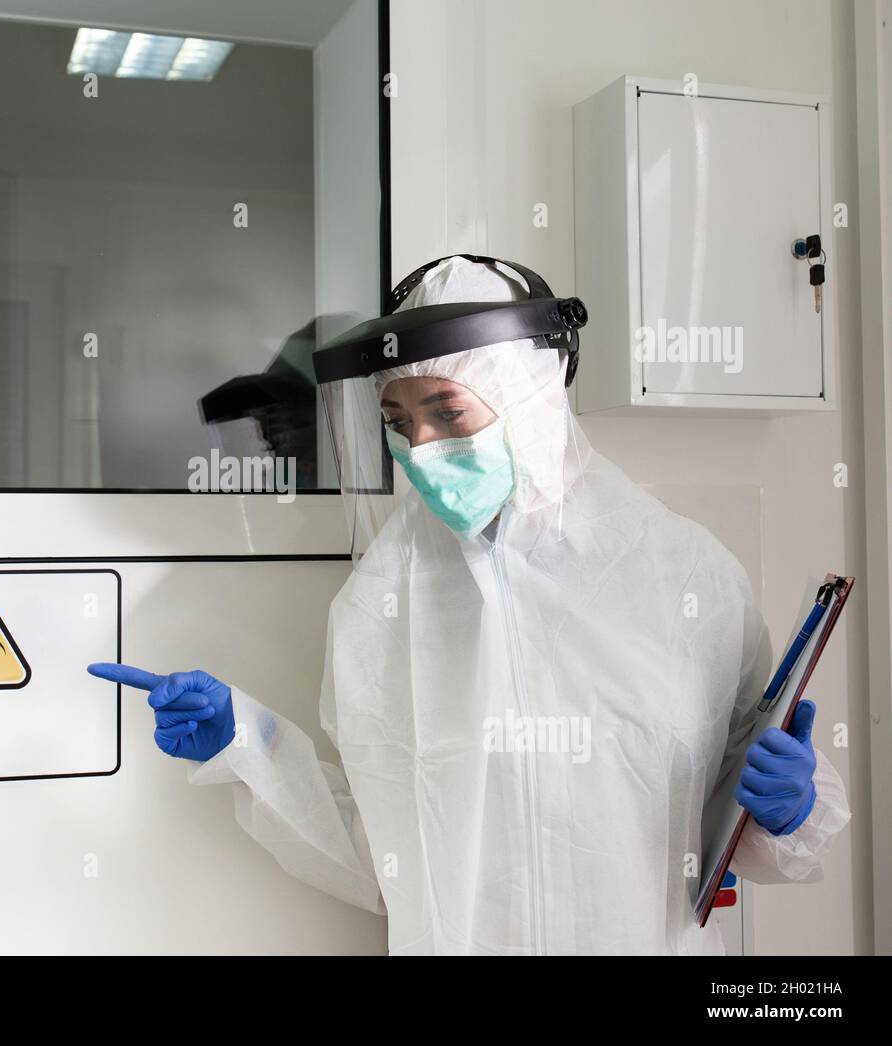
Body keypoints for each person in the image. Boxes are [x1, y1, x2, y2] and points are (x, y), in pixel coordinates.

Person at [90, 255, 851, 955]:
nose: (421, 447)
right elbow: (385, 857)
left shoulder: (683, 575)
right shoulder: (382, 607)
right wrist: (245, 743)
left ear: (527, 397)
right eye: (398, 422)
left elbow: (730, 820)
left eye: (446, 411)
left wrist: (793, 812)